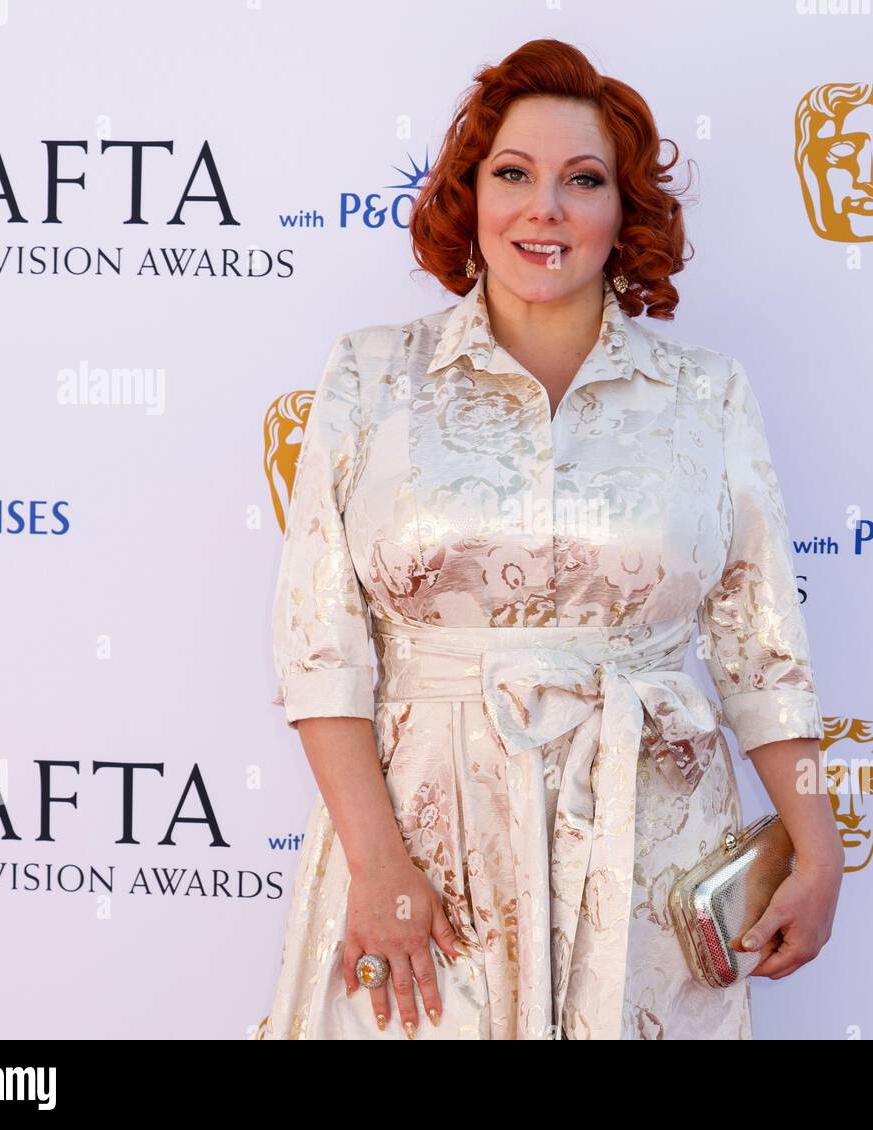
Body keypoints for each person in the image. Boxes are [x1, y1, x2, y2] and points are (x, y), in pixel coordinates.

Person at [254, 37, 843, 1041]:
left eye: (584, 180)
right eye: (512, 175)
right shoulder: (371, 377)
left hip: (651, 836)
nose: (546, 208)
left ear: (624, 213)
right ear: (469, 196)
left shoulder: (707, 394)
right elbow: (321, 648)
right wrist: (377, 863)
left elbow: (761, 642)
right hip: (425, 841)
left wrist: (817, 843)